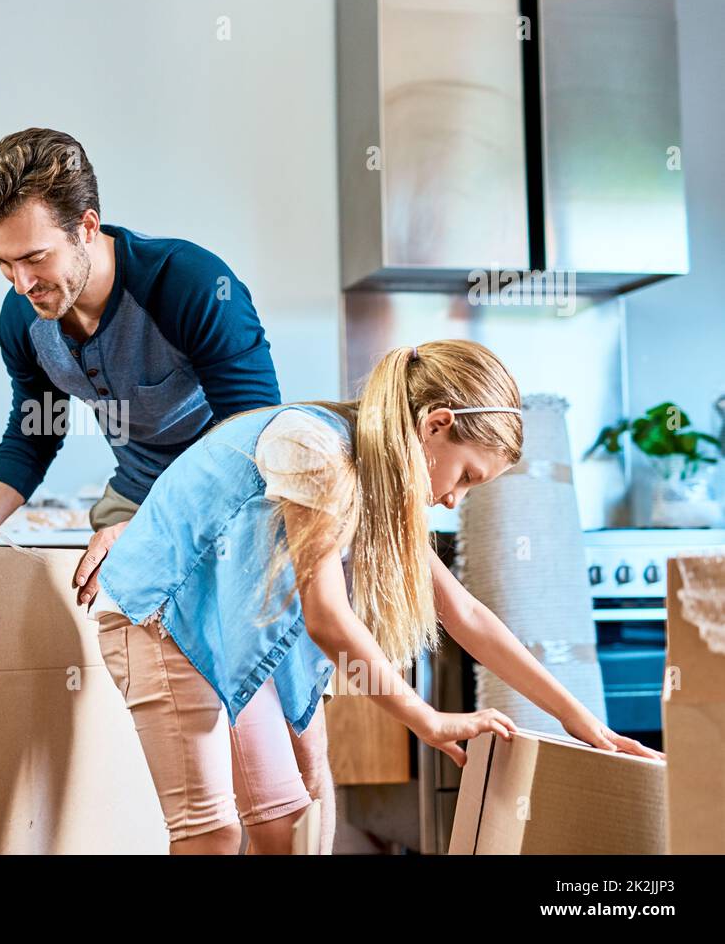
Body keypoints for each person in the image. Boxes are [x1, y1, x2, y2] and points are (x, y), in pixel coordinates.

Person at [0, 127, 340, 843]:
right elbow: (32, 432)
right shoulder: (24, 319)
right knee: (212, 754)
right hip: (139, 499)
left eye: (35, 258)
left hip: (245, 505)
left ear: (86, 228)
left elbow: (254, 442)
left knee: (299, 744)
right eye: (2, 263)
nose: (20, 283)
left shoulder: (192, 285)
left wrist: (147, 532)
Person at [87, 339, 663, 854]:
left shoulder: (378, 472)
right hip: (160, 617)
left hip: (223, 633)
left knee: (284, 823)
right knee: (210, 830)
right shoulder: (316, 448)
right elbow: (328, 620)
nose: (453, 501)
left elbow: (465, 614)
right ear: (436, 425)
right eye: (465, 477)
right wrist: (428, 719)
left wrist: (582, 724)